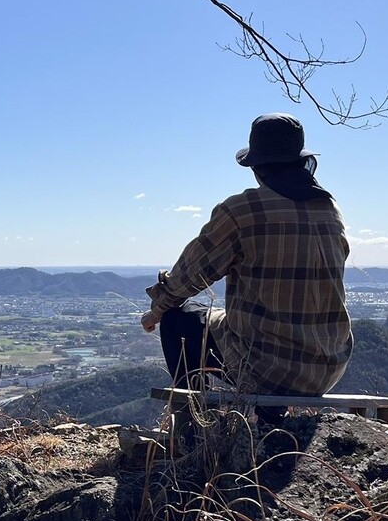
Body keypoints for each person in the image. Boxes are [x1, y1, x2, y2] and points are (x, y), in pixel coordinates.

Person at [141, 113, 353, 421]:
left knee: (180, 319)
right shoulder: (330, 209)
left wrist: (159, 309)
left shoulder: (243, 209)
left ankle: (191, 428)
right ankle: (271, 422)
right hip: (327, 366)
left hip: (264, 367)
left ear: (258, 166)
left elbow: (191, 273)